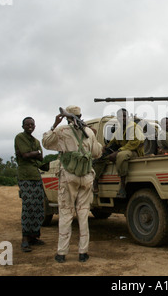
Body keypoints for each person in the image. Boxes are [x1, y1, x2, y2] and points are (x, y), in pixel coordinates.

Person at [42, 105, 102, 263]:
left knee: (66, 214)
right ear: (80, 115)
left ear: (66, 117)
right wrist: (93, 136)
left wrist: (54, 125)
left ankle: (62, 253)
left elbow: (46, 143)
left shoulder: (62, 131)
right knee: (83, 215)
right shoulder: (89, 132)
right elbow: (97, 153)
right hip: (86, 176)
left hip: (69, 177)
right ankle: (83, 253)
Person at [93, 108, 144, 198]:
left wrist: (119, 151)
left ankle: (122, 186)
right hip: (126, 149)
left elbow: (134, 143)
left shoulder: (133, 126)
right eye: (120, 116)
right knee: (100, 156)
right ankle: (95, 182)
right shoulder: (119, 129)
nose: (123, 118)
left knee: (121, 155)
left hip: (134, 151)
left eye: (124, 116)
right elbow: (114, 142)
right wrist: (105, 148)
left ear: (127, 117)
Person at [14, 117, 46, 253]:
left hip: (36, 175)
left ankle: (34, 236)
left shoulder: (36, 141)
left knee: (39, 205)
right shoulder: (19, 137)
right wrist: (34, 153)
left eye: (32, 124)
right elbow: (25, 155)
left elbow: (40, 157)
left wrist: (32, 154)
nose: (30, 126)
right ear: (23, 126)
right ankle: (25, 239)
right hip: (25, 176)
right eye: (27, 124)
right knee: (28, 206)